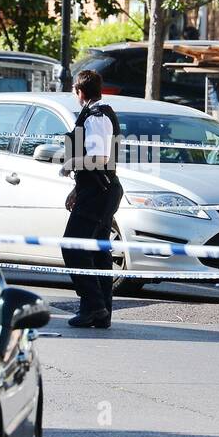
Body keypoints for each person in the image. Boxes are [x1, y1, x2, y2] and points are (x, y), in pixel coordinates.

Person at [61, 69, 124, 328]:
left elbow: (99, 159)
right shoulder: (96, 113)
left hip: (100, 193)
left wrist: (70, 163)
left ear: (80, 92)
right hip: (98, 190)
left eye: (75, 92)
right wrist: (76, 190)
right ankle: (101, 312)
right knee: (98, 252)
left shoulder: (96, 116)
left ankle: (94, 305)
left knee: (73, 247)